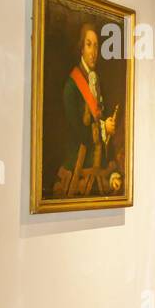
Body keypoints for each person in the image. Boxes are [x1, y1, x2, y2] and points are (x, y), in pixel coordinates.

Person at [59, 23, 119, 189]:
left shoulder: (95, 80)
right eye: (88, 45)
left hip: (96, 164)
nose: (93, 52)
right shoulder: (72, 86)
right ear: (81, 49)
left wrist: (107, 128)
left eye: (96, 47)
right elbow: (77, 130)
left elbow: (98, 115)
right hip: (77, 165)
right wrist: (103, 129)